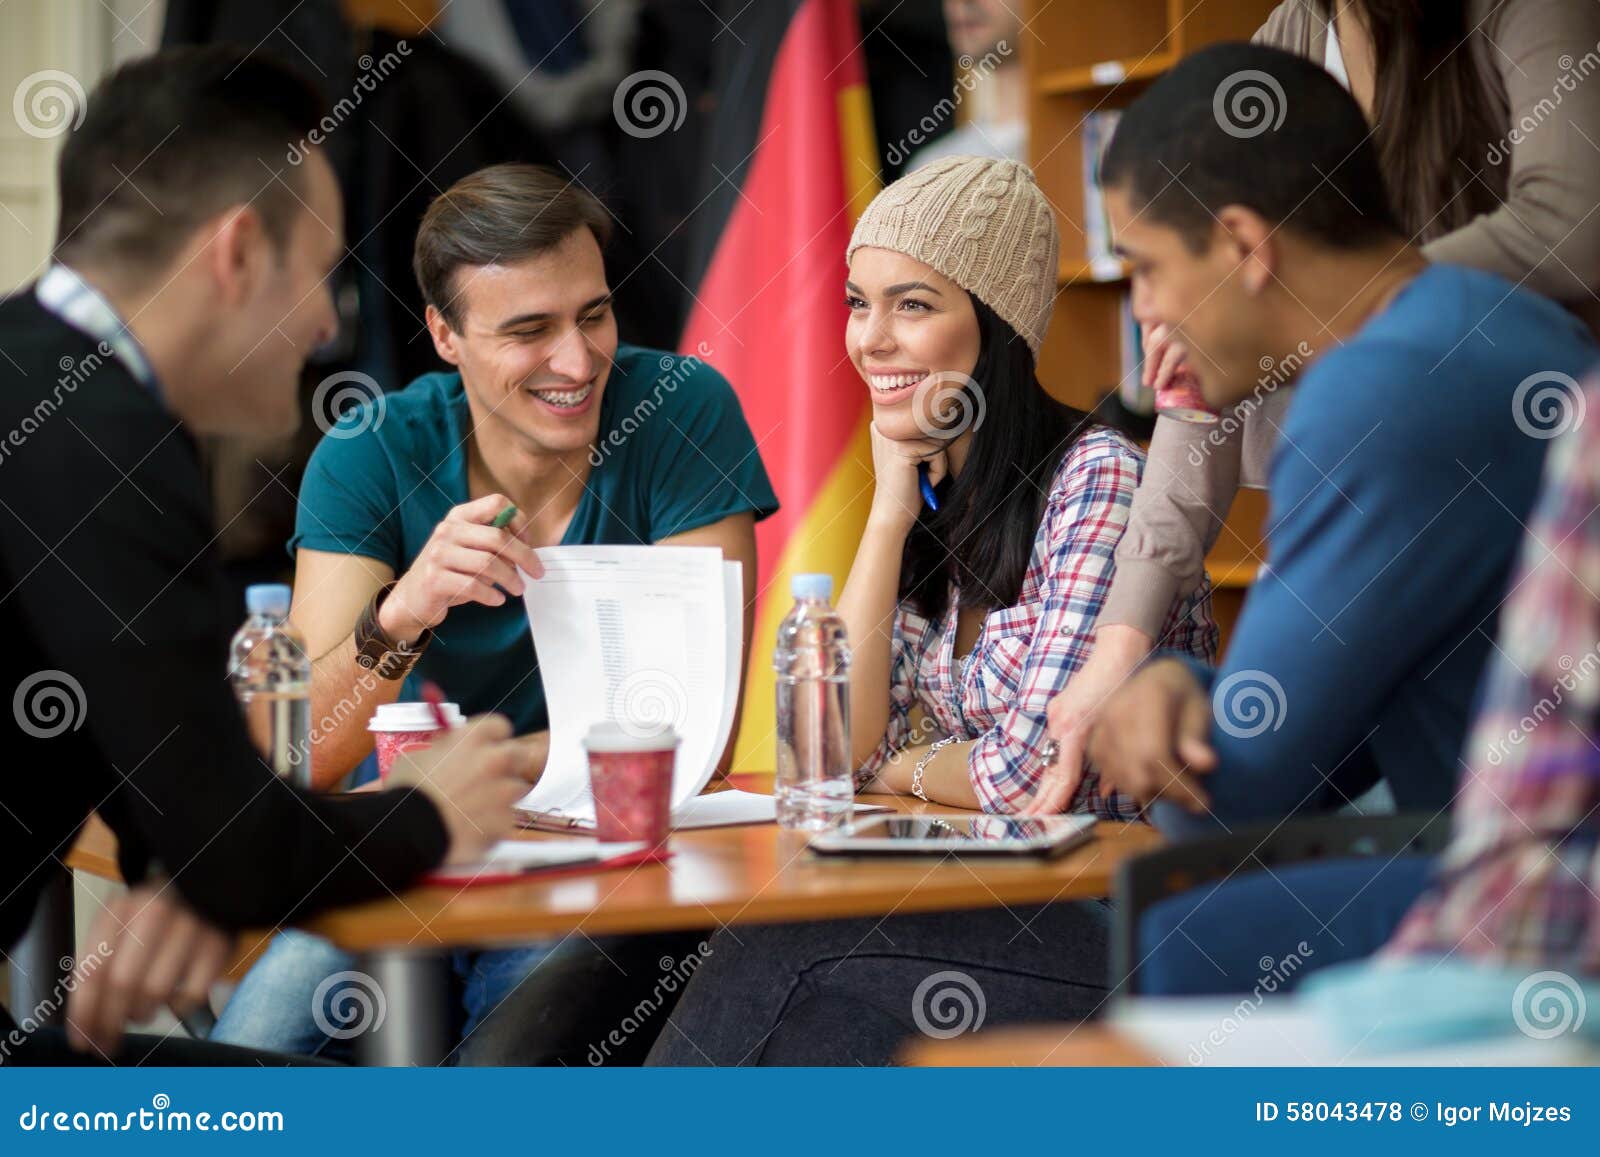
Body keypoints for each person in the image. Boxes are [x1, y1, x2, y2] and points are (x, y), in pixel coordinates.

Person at [0, 47, 540, 1064]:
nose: (330, 324)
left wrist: (186, 866)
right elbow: (235, 845)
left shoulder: (44, 386)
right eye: (322, 274)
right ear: (238, 252)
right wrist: (429, 812)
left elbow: (184, 793)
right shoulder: (100, 437)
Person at [646, 154, 1213, 1065]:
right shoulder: (931, 493)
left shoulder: (1098, 477)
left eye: (912, 305)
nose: (871, 339)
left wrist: (909, 767)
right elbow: (833, 755)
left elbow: (1031, 774)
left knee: (784, 945)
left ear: (995, 326)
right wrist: (887, 516)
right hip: (984, 898)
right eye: (857, 303)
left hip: (1127, 919)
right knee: (784, 1010)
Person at [210, 163, 779, 1064]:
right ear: (445, 334)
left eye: (594, 314)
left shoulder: (678, 408)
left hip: (592, 867)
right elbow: (303, 754)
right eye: (528, 330)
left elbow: (691, 730)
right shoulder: (371, 449)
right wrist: (403, 612)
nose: (578, 361)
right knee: (243, 1064)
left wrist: (465, 780)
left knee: (503, 1076)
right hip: (407, 861)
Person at [1080, 43, 1597, 991]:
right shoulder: (1514, 322)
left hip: (1548, 899)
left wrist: (1157, 701)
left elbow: (1238, 791)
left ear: (1244, 246)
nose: (1146, 313)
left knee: (1180, 926)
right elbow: (1336, 736)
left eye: (1146, 268)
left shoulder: (1377, 389)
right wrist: (1182, 686)